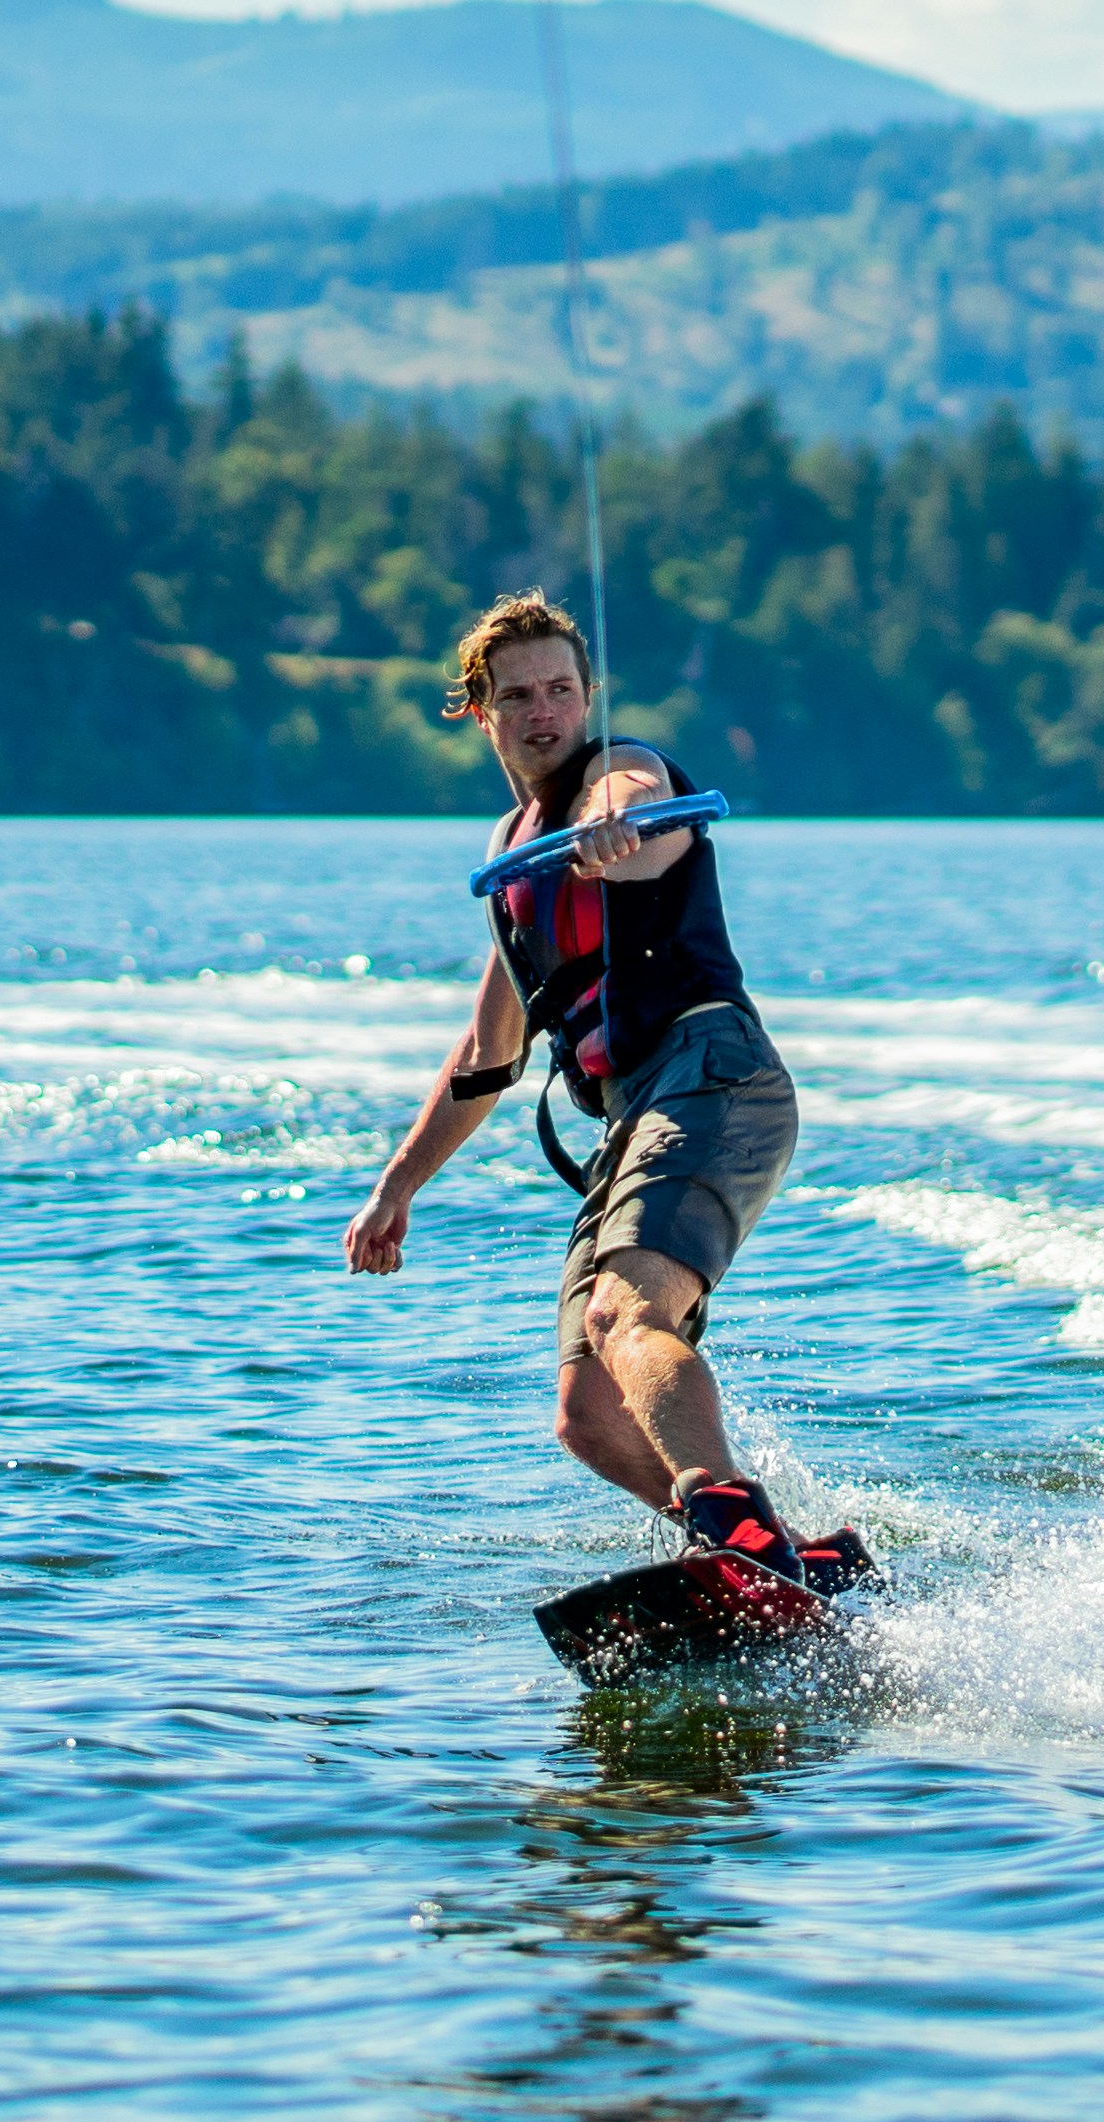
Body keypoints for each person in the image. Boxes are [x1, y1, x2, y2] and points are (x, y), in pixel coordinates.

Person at [342, 590, 868, 1595]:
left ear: (588, 697)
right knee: (586, 1414)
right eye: (521, 697)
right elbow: (486, 1054)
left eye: (562, 691)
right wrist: (396, 1189)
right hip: (635, 1117)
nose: (547, 713)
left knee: (626, 1314)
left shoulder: (617, 775)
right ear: (480, 711)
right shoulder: (513, 859)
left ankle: (735, 1531)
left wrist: (619, 825)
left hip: (710, 1073)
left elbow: (643, 804)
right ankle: (790, 1565)